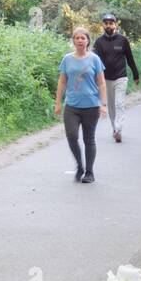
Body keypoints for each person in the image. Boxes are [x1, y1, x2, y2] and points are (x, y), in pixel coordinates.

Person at [54, 27, 107, 183]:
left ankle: (89, 172)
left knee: (89, 139)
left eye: (83, 38)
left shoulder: (95, 59)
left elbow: (102, 83)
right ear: (73, 41)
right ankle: (80, 166)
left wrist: (103, 104)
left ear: (88, 41)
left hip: (91, 105)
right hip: (71, 106)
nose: (80, 41)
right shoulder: (67, 59)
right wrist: (57, 103)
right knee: (71, 136)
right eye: (77, 38)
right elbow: (62, 81)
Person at [93, 13, 139, 142]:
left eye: (111, 23)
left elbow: (130, 58)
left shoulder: (123, 40)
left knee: (120, 103)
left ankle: (119, 128)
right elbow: (95, 62)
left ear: (115, 25)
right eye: (106, 23)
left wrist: (136, 74)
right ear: (103, 25)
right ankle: (115, 128)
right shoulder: (99, 42)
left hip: (120, 77)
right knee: (111, 106)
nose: (108, 25)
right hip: (106, 79)